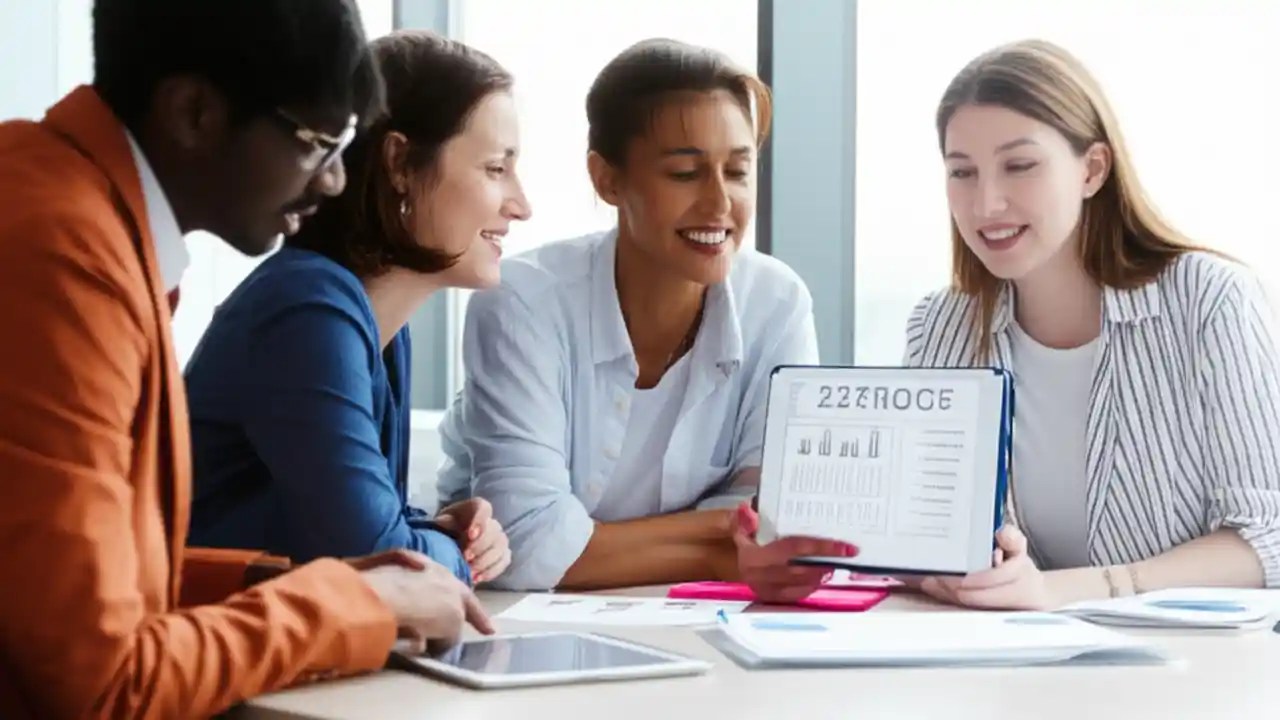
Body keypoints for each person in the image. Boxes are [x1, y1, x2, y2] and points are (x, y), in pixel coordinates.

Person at [0, 3, 491, 718]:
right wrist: (347, 605)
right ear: (194, 112)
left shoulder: (69, 208)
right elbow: (103, 682)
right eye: (319, 142)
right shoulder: (64, 253)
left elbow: (78, 588)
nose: (331, 181)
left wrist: (296, 583)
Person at [743, 38, 1280, 609]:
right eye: (962, 172)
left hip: (1195, 675)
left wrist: (1065, 590)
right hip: (1006, 667)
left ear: (1093, 169)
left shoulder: (1210, 301)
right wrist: (937, 572)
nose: (986, 204)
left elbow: (1266, 537)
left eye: (1019, 166)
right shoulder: (942, 324)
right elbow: (923, 541)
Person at [435, 38, 849, 592]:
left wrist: (591, 541)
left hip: (690, 610)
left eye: (738, 172)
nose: (720, 204)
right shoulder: (522, 301)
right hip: (503, 616)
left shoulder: (776, 303)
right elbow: (528, 547)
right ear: (607, 179)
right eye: (685, 173)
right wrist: (724, 548)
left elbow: (771, 521)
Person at [184, 29, 527, 587]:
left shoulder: (374, 327)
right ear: (399, 164)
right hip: (200, 651)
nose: (521, 204)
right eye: (496, 168)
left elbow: (361, 531)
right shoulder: (310, 312)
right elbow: (388, 566)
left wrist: (434, 529)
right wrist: (447, 549)